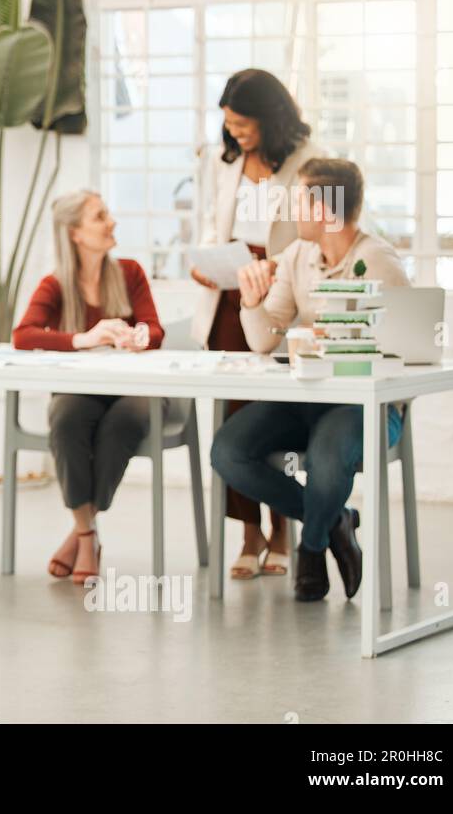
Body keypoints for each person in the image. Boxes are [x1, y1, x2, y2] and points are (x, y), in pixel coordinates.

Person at [209, 158, 410, 601]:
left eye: (298, 200)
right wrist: (251, 301)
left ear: (324, 209)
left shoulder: (378, 261)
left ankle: (313, 547)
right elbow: (264, 341)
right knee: (229, 451)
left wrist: (337, 339)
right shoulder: (299, 256)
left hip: (364, 406)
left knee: (326, 456)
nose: (290, 212)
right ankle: (334, 520)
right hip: (308, 398)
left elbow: (405, 350)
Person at [190, 68, 323, 581]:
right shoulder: (224, 160)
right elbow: (209, 220)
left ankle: (284, 526)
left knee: (277, 413)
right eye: (229, 124)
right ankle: (247, 533)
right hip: (230, 295)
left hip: (285, 293)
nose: (237, 133)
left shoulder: (309, 159)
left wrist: (279, 265)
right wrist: (204, 262)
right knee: (233, 418)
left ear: (271, 118)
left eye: (245, 124)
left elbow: (322, 231)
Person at [13, 190, 165, 585]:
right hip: (80, 389)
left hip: (131, 390)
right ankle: (87, 535)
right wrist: (86, 337)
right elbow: (23, 335)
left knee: (126, 421)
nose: (111, 221)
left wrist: (139, 336)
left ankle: (81, 534)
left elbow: (155, 328)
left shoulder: (129, 272)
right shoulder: (56, 284)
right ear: (76, 233)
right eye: (100, 216)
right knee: (65, 417)